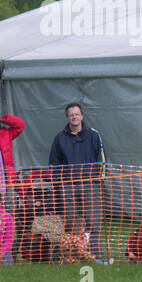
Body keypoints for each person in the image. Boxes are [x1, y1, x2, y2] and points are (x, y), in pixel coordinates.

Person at [48, 102, 107, 262]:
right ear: (67, 117)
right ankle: (73, 255)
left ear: (82, 116)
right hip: (67, 186)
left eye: (76, 114)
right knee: (72, 222)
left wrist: (98, 180)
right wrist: (59, 183)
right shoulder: (59, 138)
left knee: (93, 221)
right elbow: (53, 163)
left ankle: (95, 256)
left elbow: (101, 159)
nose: (74, 117)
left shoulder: (94, 135)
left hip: (90, 184)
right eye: (71, 115)